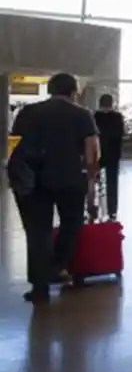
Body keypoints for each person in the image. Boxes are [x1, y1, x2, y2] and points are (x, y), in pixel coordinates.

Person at [9, 73, 100, 304]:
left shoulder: (28, 112)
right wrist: (92, 186)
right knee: (72, 225)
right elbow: (92, 152)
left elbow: (16, 145)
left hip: (33, 179)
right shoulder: (82, 115)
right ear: (73, 92)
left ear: (50, 89)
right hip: (69, 179)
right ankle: (56, 266)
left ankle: (39, 289)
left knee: (38, 232)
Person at [92, 93, 125, 221]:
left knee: (94, 182)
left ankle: (94, 209)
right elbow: (120, 135)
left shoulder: (94, 117)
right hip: (113, 155)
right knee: (112, 183)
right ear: (112, 103)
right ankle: (112, 211)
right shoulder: (117, 117)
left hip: (97, 154)